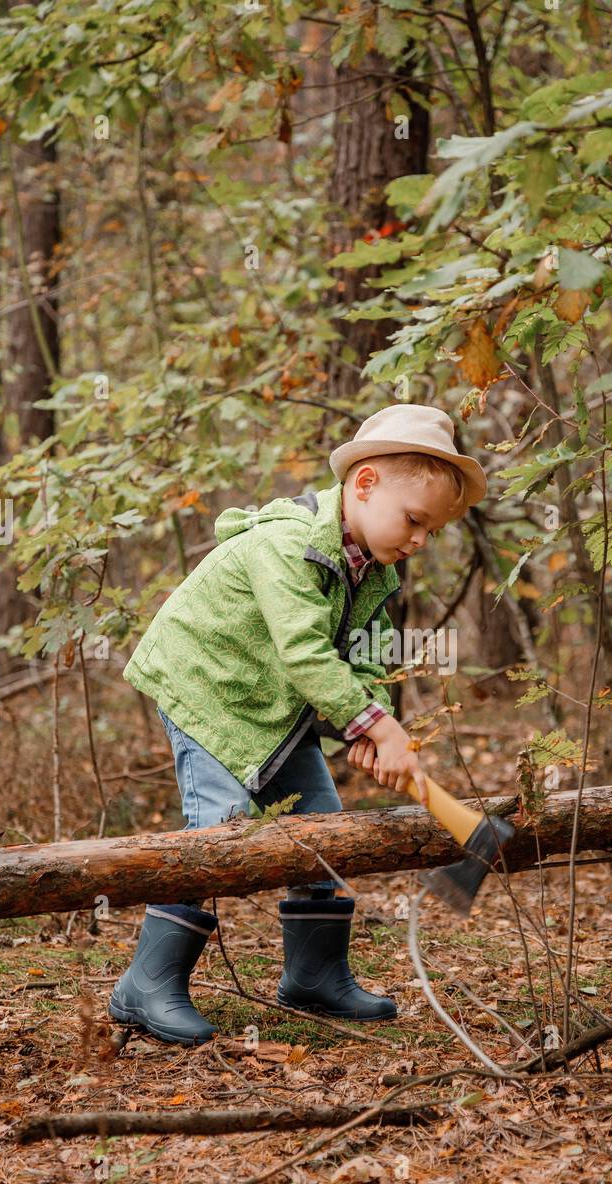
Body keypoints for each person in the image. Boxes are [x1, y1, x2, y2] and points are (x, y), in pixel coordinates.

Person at [108, 403, 487, 1044]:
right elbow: (305, 653)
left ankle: (314, 976)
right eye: (415, 520)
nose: (421, 539)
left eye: (432, 531)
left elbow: (363, 661)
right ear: (364, 485)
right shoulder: (283, 545)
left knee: (323, 825)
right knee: (220, 829)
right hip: (206, 690)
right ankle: (144, 985)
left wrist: (373, 725)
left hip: (272, 709)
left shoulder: (374, 570)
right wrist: (376, 726)